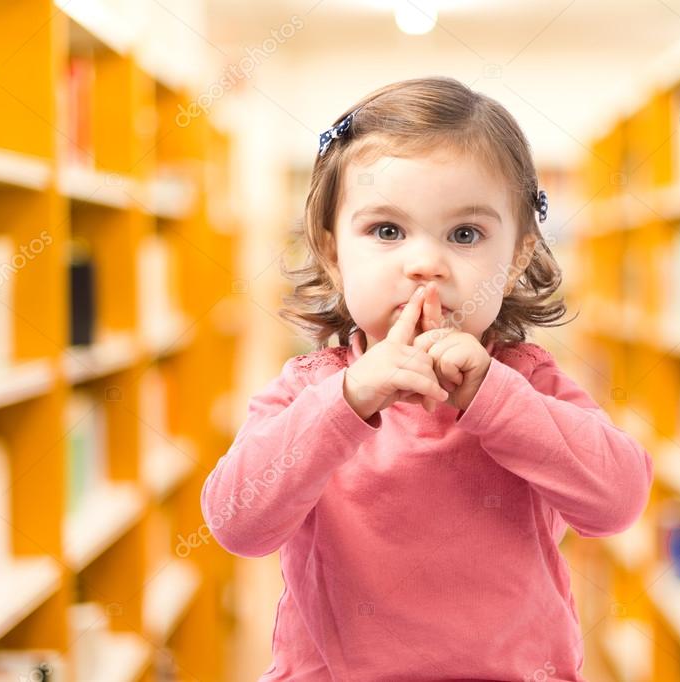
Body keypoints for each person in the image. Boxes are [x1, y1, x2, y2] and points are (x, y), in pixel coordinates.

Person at [200, 76, 654, 681]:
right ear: (333, 253)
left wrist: (494, 396)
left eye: (465, 235)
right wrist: (348, 400)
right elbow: (238, 524)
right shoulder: (310, 390)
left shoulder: (528, 382)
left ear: (516, 257)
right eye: (386, 231)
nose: (425, 265)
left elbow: (617, 503)